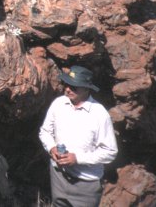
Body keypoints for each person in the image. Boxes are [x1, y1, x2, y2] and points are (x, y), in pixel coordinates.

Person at [39, 65, 118, 207]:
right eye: (67, 84)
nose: (68, 89)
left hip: (86, 184)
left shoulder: (99, 114)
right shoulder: (58, 104)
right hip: (58, 177)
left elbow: (110, 152)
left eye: (74, 87)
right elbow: (45, 131)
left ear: (87, 88)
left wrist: (77, 159)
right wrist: (52, 148)